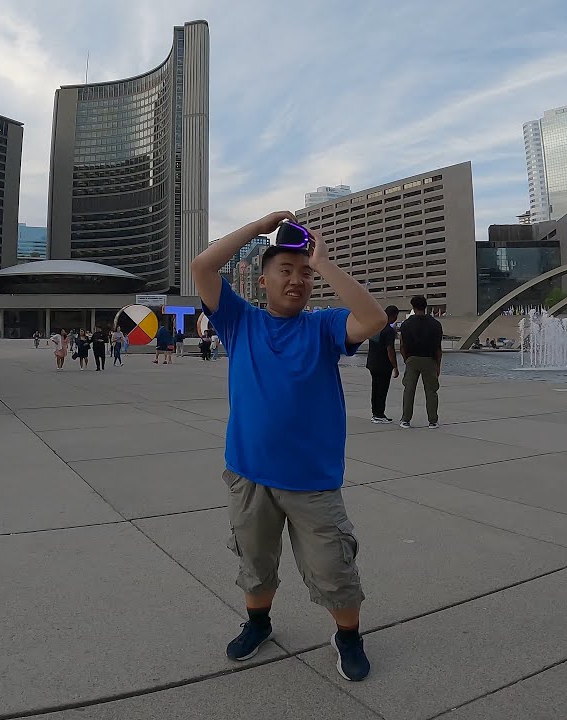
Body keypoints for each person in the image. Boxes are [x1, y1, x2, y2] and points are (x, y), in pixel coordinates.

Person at [191, 210, 385, 682]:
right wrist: (259, 228)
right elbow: (202, 267)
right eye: (285, 270)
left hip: (311, 481)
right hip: (249, 473)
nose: (296, 280)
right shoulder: (240, 322)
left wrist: (323, 263)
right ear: (264, 280)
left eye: (304, 274)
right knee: (255, 561)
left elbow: (374, 319)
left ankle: (348, 637)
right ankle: (258, 623)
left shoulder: (323, 328)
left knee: (333, 568)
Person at [398, 296, 443, 429]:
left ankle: (406, 419)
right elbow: (438, 348)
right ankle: (433, 421)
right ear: (426, 306)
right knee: (431, 391)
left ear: (413, 306)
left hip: (412, 359)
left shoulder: (406, 324)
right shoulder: (436, 324)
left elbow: (402, 345)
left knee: (409, 390)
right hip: (430, 360)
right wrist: (438, 365)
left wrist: (406, 359)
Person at [366, 305, 399, 424]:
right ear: (394, 316)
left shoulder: (376, 327)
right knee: (382, 390)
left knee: (375, 389)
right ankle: (379, 414)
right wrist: (395, 366)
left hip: (372, 363)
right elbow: (390, 350)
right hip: (383, 365)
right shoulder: (388, 330)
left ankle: (375, 413)